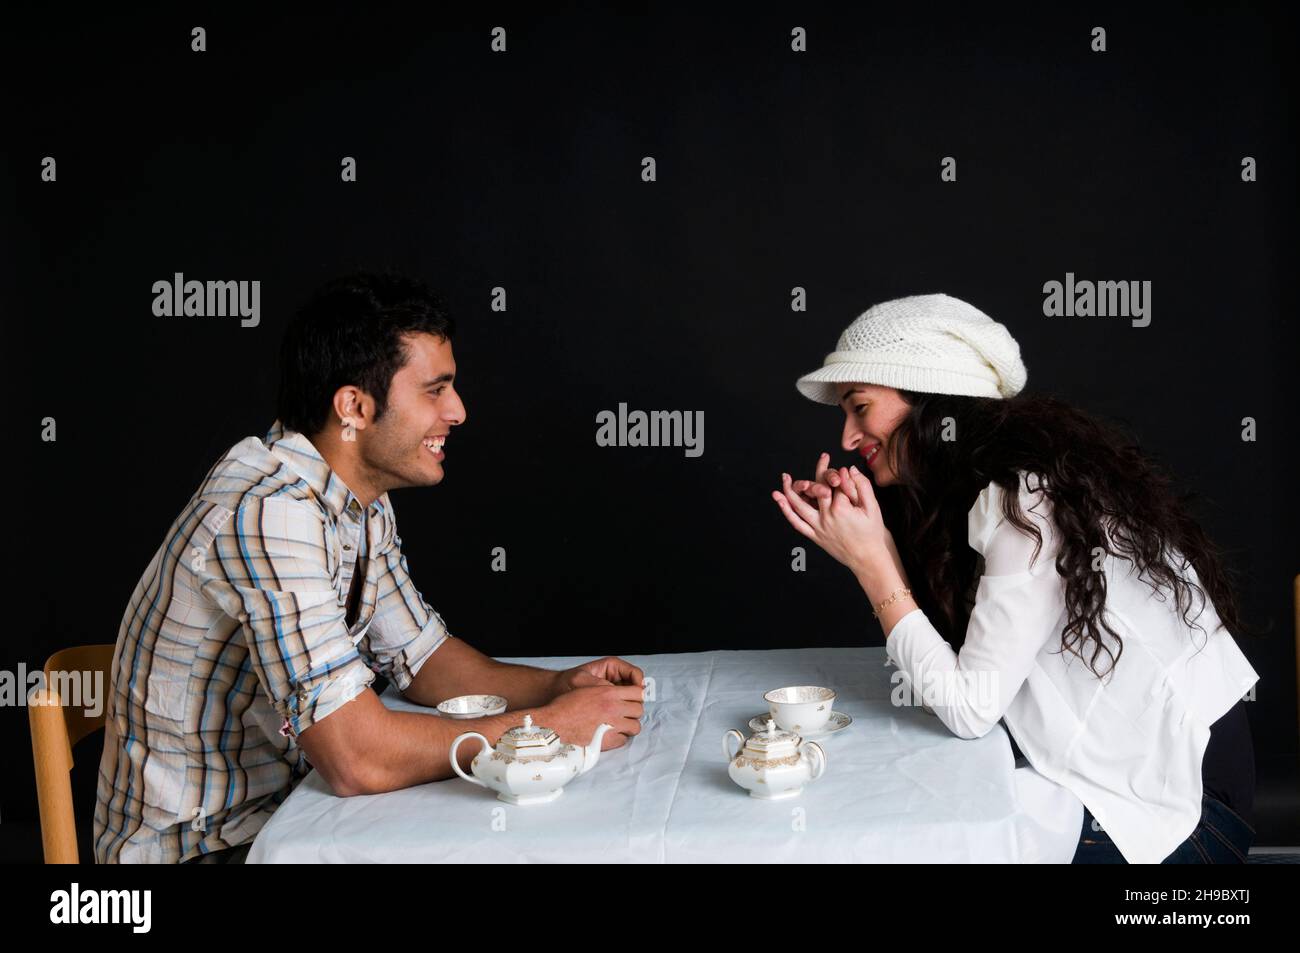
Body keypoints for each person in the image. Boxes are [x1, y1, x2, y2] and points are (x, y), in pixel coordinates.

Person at [94, 271, 645, 863]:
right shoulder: (268, 512)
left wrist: (559, 687)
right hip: (210, 848)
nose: (458, 410)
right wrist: (548, 727)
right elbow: (357, 758)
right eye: (435, 390)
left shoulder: (356, 501)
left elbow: (425, 661)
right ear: (354, 406)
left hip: (298, 814)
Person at [771, 293, 1260, 864]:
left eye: (859, 406)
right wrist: (874, 542)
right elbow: (956, 679)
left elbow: (968, 709)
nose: (847, 439)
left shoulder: (1024, 503)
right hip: (1132, 783)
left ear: (927, 397)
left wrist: (870, 562)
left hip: (1188, 818)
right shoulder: (984, 492)